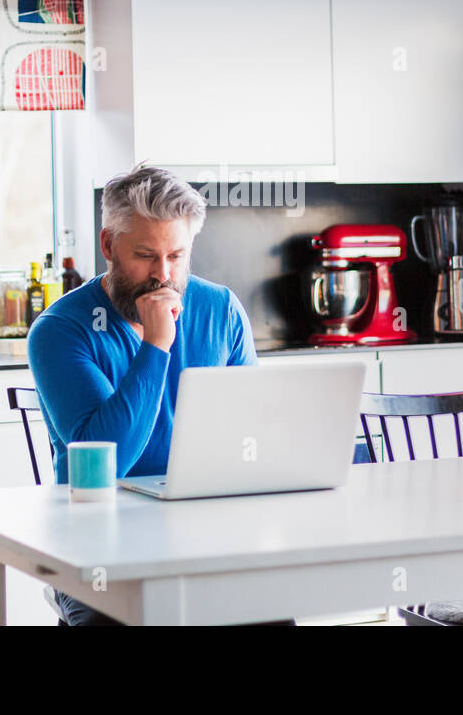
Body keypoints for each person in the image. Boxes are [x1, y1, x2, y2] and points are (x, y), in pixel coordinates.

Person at [29, 164, 278, 626]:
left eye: (177, 256)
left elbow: (252, 437)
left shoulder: (220, 309)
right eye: (146, 255)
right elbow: (108, 466)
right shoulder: (61, 331)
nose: (163, 275)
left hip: (203, 537)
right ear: (108, 245)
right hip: (95, 551)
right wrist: (156, 345)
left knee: (270, 615)